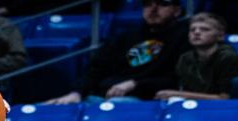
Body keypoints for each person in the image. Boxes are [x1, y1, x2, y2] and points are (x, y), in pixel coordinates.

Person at [41, 0, 187, 104]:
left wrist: (136, 84)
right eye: (147, 4)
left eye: (163, 3)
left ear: (177, 10)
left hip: (145, 100)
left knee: (116, 105)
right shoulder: (124, 37)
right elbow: (96, 68)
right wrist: (76, 93)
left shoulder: (184, 37)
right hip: (101, 97)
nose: (153, 9)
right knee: (47, 110)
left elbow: (174, 78)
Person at [158, 13, 238, 101]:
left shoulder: (228, 58)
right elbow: (185, 90)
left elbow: (224, 98)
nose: (196, 32)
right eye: (192, 30)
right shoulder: (185, 58)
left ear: (220, 36)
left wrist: (176, 94)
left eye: (205, 29)